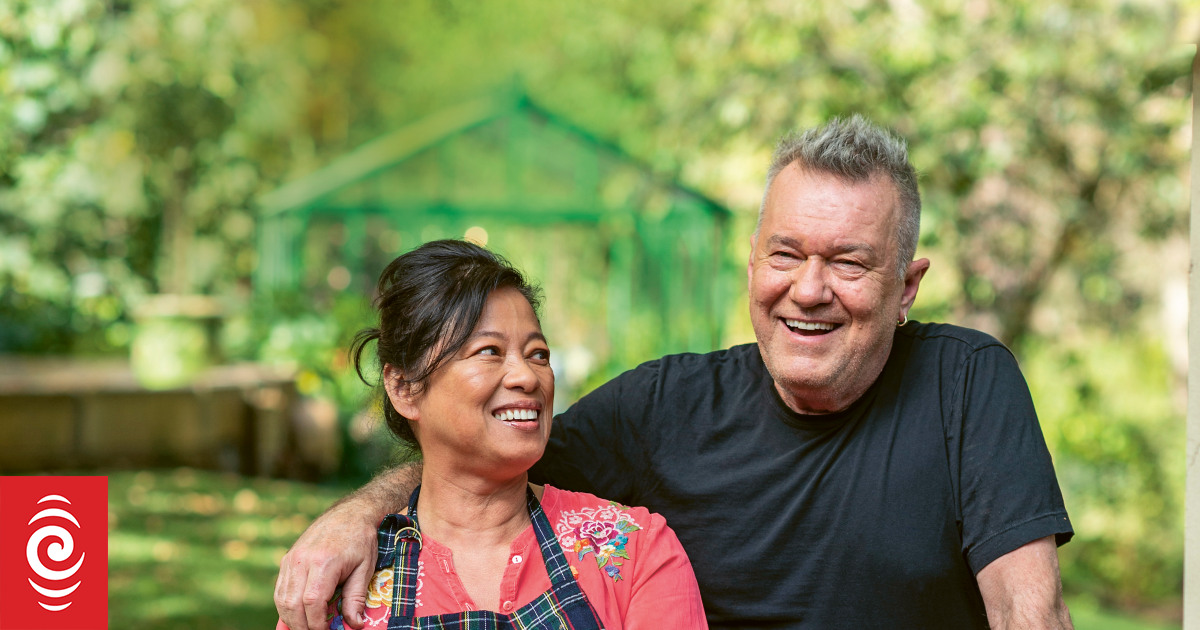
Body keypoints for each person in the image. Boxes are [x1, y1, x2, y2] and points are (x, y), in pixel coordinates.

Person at [275, 116, 1074, 629]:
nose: (808, 290)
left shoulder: (965, 383)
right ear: (752, 263)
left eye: (849, 263)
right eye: (786, 254)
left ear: (906, 287)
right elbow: (481, 455)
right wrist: (357, 514)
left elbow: (1027, 612)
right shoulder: (666, 406)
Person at [276, 240, 706, 630]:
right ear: (404, 388)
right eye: (489, 351)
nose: (528, 376)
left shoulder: (634, 549)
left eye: (538, 354)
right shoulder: (337, 582)